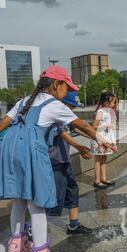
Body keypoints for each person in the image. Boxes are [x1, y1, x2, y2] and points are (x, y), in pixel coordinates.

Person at [0, 66, 105, 252]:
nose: (66, 91)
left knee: (19, 200)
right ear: (56, 84)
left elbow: (4, 123)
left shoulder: (25, 100)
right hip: (31, 154)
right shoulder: (54, 104)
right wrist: (100, 139)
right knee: (37, 206)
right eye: (66, 86)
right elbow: (83, 126)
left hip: (9, 152)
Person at [46, 91, 94, 235]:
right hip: (54, 160)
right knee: (52, 196)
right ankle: (32, 227)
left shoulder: (66, 116)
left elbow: (77, 128)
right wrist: (78, 146)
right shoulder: (55, 115)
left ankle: (73, 224)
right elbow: (62, 133)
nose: (72, 109)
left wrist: (96, 138)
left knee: (72, 190)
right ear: (62, 103)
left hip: (64, 159)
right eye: (70, 106)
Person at [92, 91, 118, 189]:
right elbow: (94, 126)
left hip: (106, 139)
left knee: (103, 159)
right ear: (106, 102)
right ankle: (97, 181)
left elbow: (110, 130)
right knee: (98, 160)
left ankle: (103, 178)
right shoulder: (100, 112)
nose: (114, 104)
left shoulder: (109, 112)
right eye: (113, 102)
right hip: (99, 139)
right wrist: (106, 125)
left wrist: (113, 143)